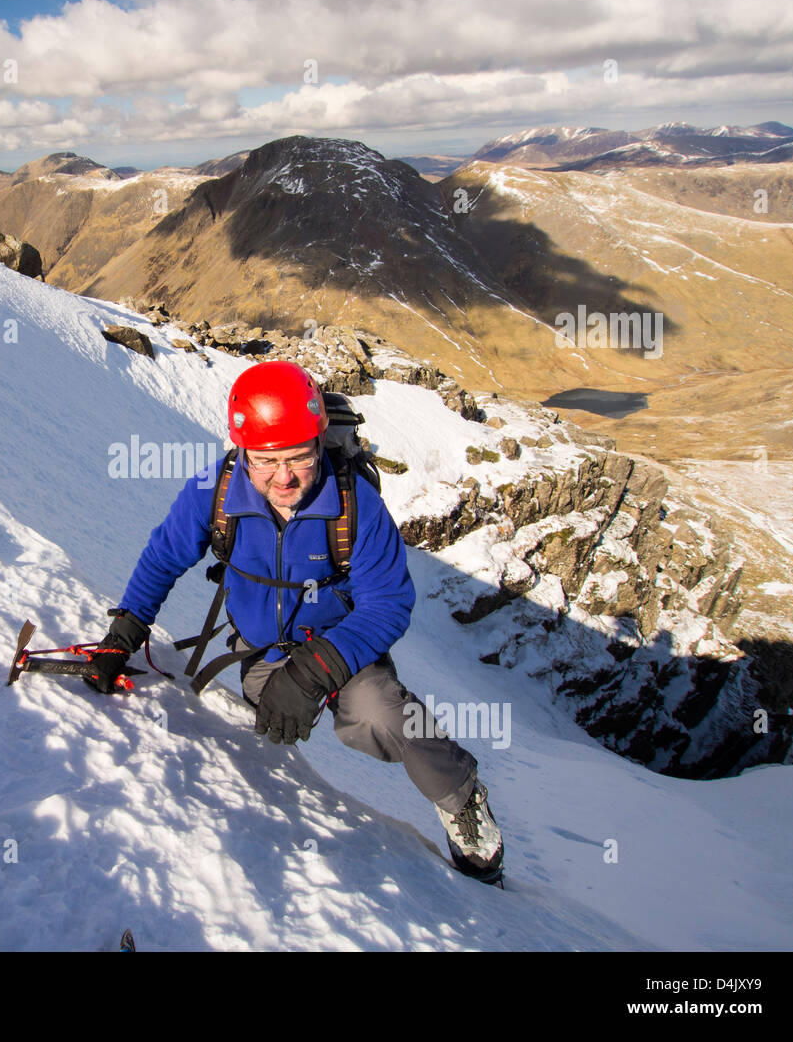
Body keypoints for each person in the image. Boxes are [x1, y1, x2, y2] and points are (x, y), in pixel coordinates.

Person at [83, 360, 504, 882]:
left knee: (382, 714)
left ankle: (462, 800)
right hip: (259, 650)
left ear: (320, 441)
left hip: (340, 648)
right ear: (242, 452)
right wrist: (122, 635)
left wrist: (311, 674)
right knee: (259, 730)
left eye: (301, 457)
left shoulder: (356, 506)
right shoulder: (213, 492)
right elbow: (163, 558)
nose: (284, 477)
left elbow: (388, 603)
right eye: (265, 460)